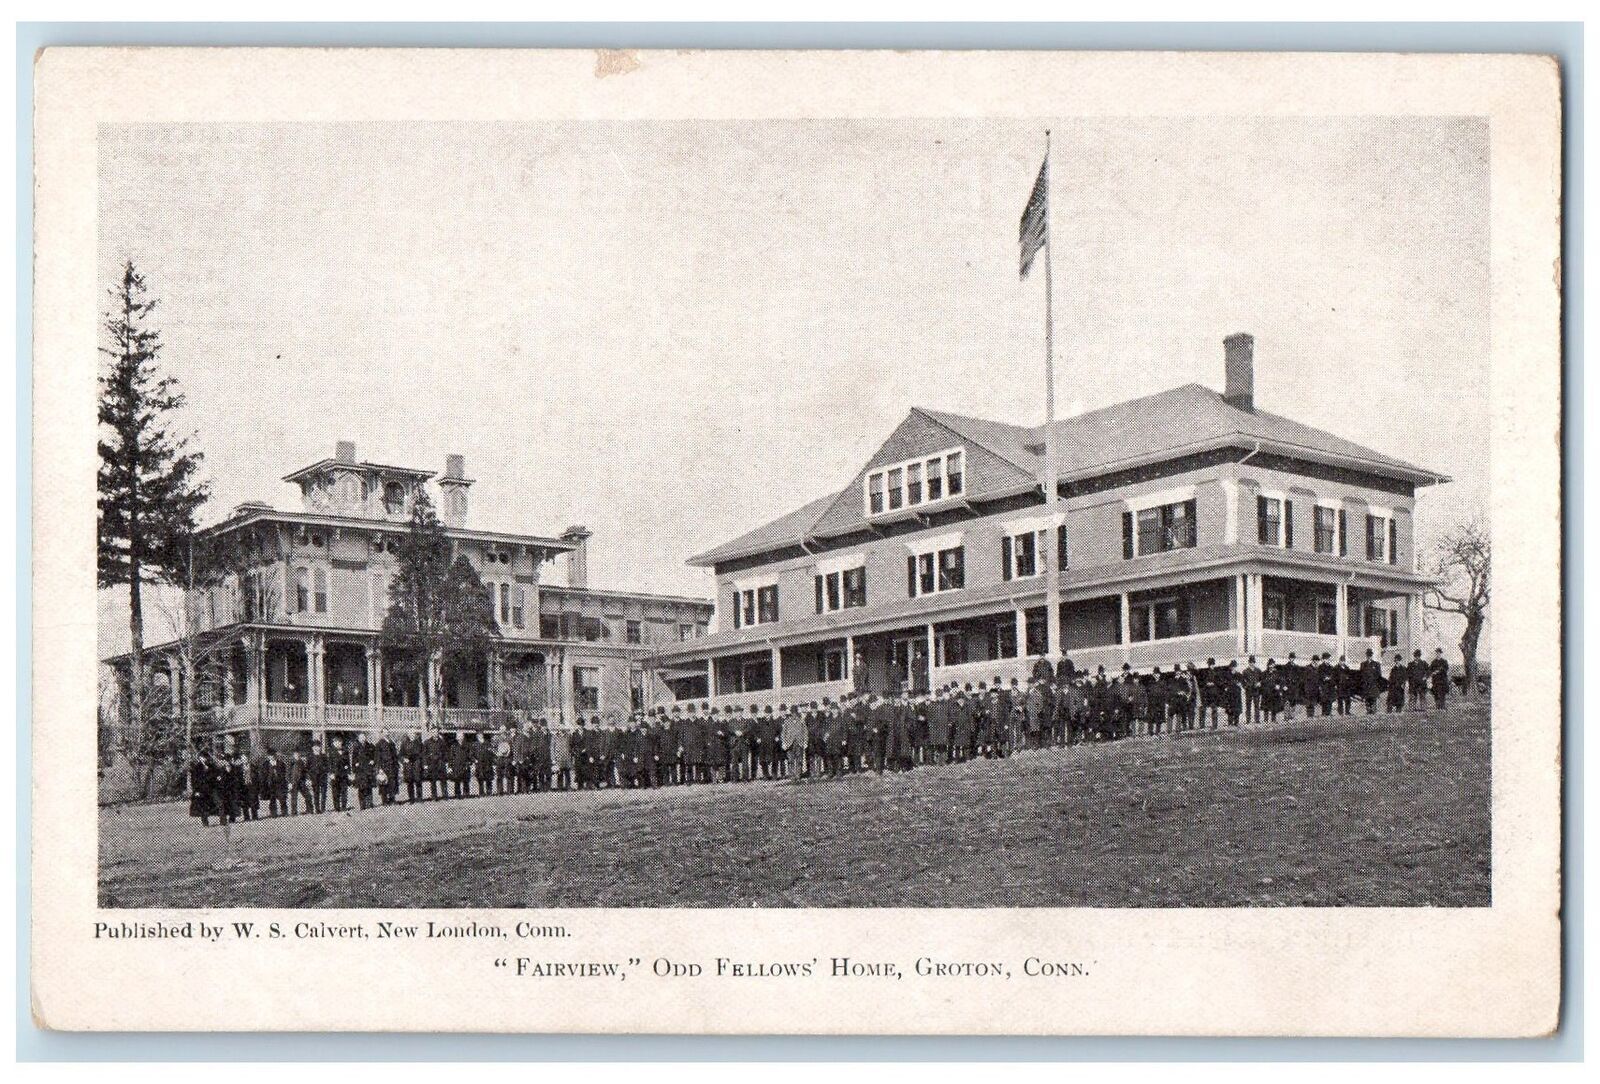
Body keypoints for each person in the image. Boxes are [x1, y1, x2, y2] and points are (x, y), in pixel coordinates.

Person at [399, 729, 424, 803]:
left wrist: (420, 761)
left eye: (413, 733)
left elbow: (422, 753)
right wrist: (404, 759)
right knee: (410, 782)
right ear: (408, 734)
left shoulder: (419, 743)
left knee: (418, 781)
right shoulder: (404, 743)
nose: (411, 734)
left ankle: (419, 798)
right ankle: (411, 799)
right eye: (410, 733)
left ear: (415, 734)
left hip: (416, 764)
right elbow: (400, 755)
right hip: (408, 765)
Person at [375, 731, 399, 805]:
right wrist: (380, 768)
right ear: (382, 734)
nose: (387, 734)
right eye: (385, 732)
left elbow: (395, 755)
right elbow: (377, 757)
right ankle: (384, 801)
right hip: (384, 766)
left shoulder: (391, 743)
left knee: (392, 783)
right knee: (384, 784)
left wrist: (397, 764)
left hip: (392, 766)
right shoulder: (379, 744)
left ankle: (392, 799)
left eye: (387, 732)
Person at [287, 750, 313, 816]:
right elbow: (288, 773)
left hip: (301, 782)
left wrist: (308, 779)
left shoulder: (302, 762)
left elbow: (305, 772)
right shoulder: (291, 762)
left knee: (308, 795)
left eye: (298, 754)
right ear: (293, 755)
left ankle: (309, 810)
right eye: (296, 754)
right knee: (294, 798)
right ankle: (294, 812)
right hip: (294, 782)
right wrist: (289, 782)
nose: (297, 755)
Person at [1241, 656, 1263, 725]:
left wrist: (1259, 683)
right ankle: (1248, 720)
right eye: (1250, 662)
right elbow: (1242, 681)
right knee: (1248, 706)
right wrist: (1245, 687)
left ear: (1254, 662)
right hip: (1249, 691)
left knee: (1257, 705)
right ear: (1249, 663)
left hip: (1256, 691)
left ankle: (1257, 720)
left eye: (1253, 662)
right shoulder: (1245, 671)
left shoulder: (1258, 670)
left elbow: (1262, 679)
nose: (1252, 663)